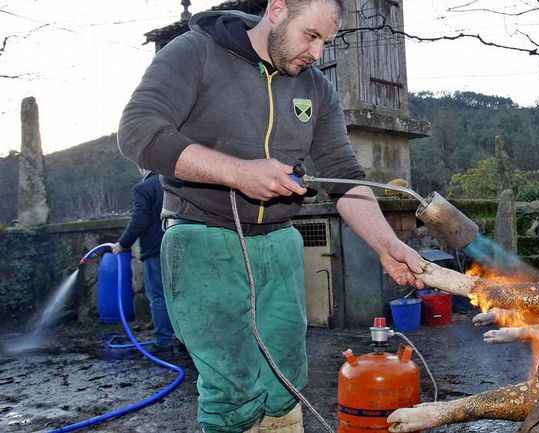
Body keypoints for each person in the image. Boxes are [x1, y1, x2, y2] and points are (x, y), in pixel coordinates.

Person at [117, 1, 425, 432]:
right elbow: (138, 130)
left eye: (326, 42)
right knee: (231, 388)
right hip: (204, 240)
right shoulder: (195, 51)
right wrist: (238, 172)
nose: (318, 53)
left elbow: (342, 175)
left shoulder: (316, 87)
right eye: (311, 36)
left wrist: (387, 244)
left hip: (280, 242)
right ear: (278, 10)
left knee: (284, 380)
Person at [112, 170, 175, 354]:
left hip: (156, 249)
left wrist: (123, 244)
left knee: (158, 297)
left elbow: (139, 220)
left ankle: (163, 342)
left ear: (143, 167)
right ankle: (185, 342)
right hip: (181, 246)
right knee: (179, 296)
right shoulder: (176, 182)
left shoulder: (144, 188)